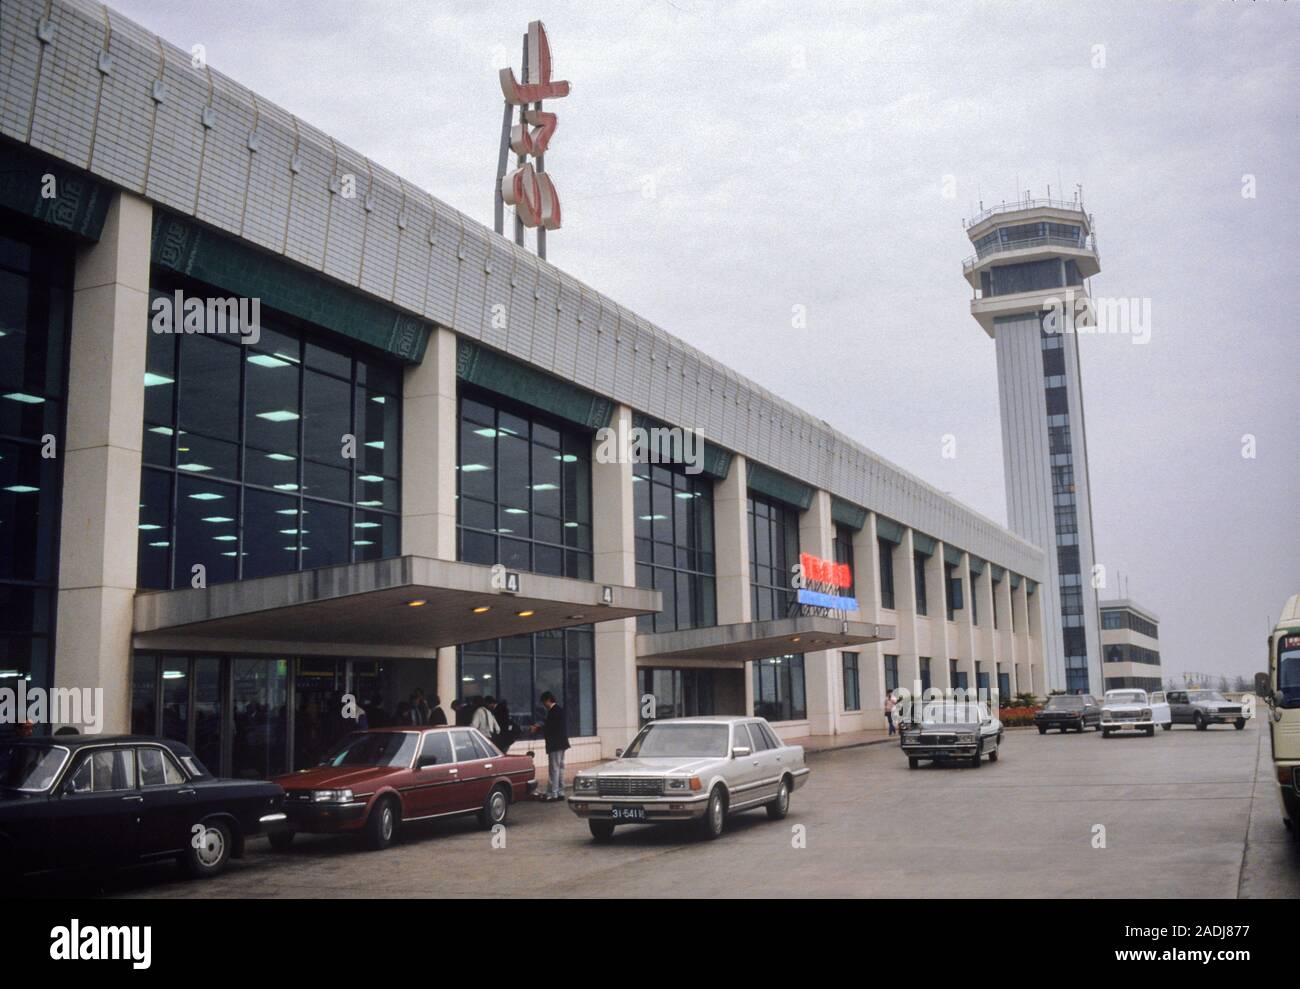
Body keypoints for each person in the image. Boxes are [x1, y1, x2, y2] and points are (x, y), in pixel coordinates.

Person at [532, 691, 570, 801]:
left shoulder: (553, 711)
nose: (544, 705)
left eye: (544, 702)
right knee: (561, 768)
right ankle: (560, 792)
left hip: (555, 743)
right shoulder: (559, 710)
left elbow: (550, 727)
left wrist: (537, 729)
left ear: (548, 700)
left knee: (554, 769)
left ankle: (552, 794)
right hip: (562, 743)